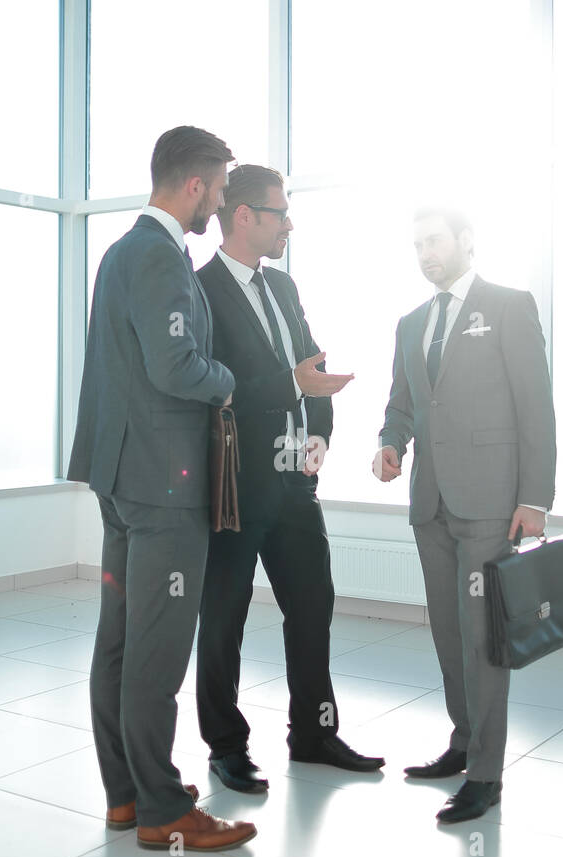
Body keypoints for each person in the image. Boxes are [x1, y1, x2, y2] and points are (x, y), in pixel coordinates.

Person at [67, 126, 255, 851]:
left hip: (121, 476)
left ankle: (124, 797)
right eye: (219, 188)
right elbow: (177, 367)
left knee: (118, 642)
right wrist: (230, 379)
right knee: (156, 649)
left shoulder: (119, 253)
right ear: (195, 186)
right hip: (164, 484)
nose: (220, 203)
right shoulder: (159, 258)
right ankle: (162, 808)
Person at [195, 164, 384, 793]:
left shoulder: (283, 286)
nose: (289, 224)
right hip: (235, 481)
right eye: (280, 213)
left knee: (313, 603)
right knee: (224, 614)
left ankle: (315, 732)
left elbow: (311, 364)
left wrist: (320, 432)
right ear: (243, 214)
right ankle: (226, 746)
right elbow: (211, 391)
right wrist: (290, 386)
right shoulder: (200, 292)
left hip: (293, 476)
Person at [373, 207, 557, 823]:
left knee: (483, 640)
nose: (425, 252)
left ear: (466, 242)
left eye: (434, 240)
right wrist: (390, 443)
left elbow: (537, 405)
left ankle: (486, 773)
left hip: (489, 504)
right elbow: (401, 402)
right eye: (417, 242)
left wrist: (536, 497)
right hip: (430, 503)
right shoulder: (410, 324)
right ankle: (462, 742)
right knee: (449, 634)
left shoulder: (509, 306)